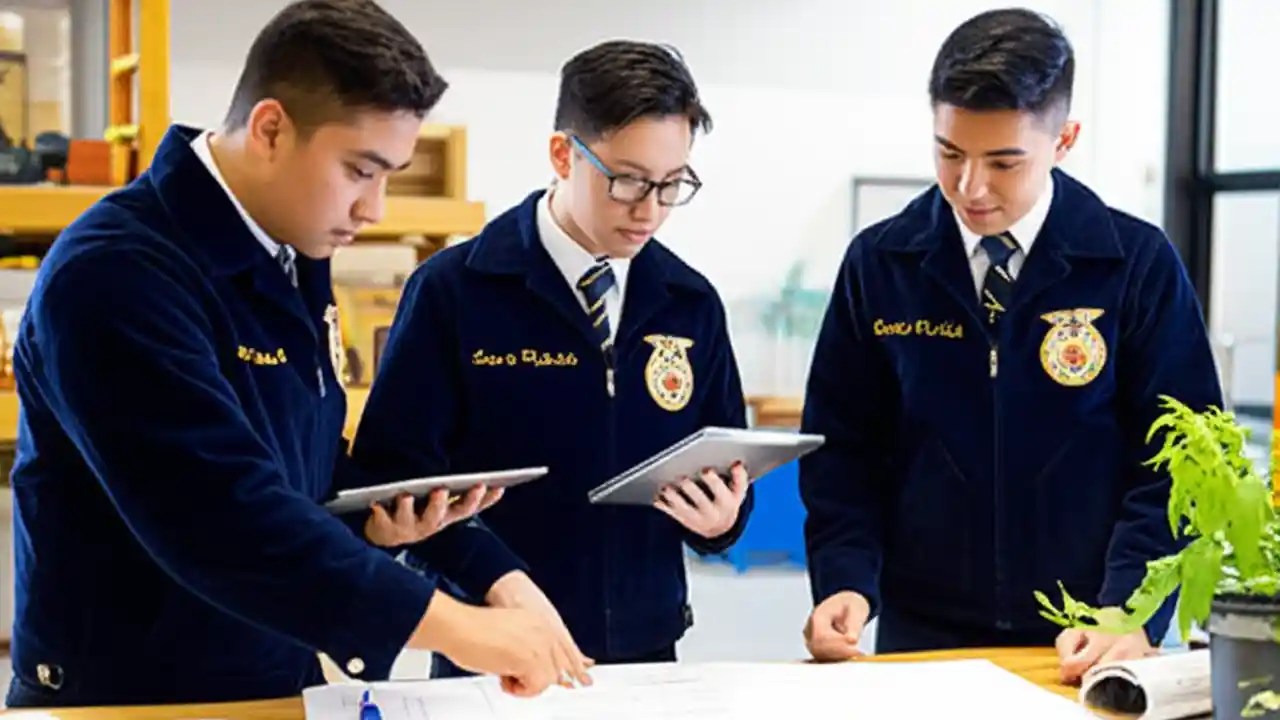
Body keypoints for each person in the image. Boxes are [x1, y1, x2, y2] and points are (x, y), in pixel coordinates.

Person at [5, 0, 588, 708]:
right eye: (360, 171)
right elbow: (221, 514)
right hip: (132, 691)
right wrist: (460, 630)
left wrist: (490, 572)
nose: (374, 208)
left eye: (390, 176)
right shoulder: (115, 275)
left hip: (268, 670)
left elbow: (297, 457)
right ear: (271, 129)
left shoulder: (285, 249)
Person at [798, 7, 1222, 683]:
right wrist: (844, 579)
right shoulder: (880, 264)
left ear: (1064, 139)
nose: (971, 187)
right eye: (949, 153)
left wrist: (1132, 608)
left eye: (1003, 161)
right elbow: (843, 450)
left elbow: (1180, 464)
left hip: (1089, 637)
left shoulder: (1135, 265)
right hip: (920, 634)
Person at [351, 39, 753, 675]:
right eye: (625, 181)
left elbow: (725, 454)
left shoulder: (690, 302)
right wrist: (492, 579)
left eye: (671, 185)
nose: (648, 210)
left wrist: (723, 522)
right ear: (563, 154)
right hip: (494, 646)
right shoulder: (456, 291)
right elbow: (394, 476)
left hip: (648, 653)